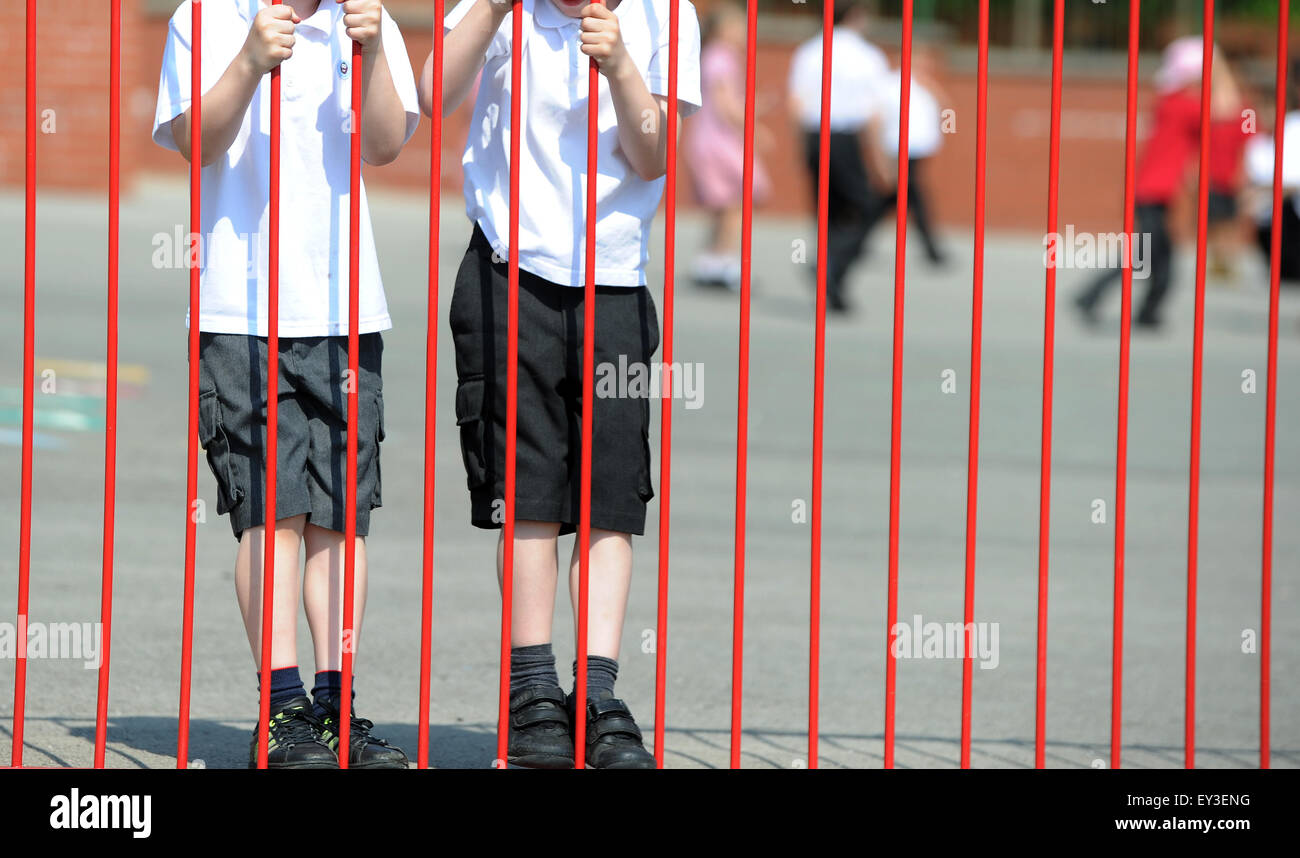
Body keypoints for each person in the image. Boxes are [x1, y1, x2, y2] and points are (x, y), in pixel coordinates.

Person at [421, 0, 701, 768]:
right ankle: (532, 688)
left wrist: (620, 67)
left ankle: (599, 691)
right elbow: (431, 93)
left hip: (612, 279)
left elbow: (654, 156)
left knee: (611, 495)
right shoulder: (502, 12)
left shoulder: (662, 14)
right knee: (526, 489)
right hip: (509, 268)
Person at [152, 0, 420, 768]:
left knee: (341, 517)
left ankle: (335, 704)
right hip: (242, 305)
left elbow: (385, 144)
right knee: (271, 513)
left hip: (343, 307)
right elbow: (193, 142)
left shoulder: (365, 20)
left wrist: (366, 51)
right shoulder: (203, 17)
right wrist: (246, 61)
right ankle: (281, 706)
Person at [1074, 36, 1243, 330]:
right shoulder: (1181, 104)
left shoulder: (1172, 102)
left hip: (1154, 193)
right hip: (1151, 192)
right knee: (1146, 255)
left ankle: (1144, 311)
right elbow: (1229, 111)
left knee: (1161, 257)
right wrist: (1220, 70)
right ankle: (1092, 297)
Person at [787, 0, 891, 313]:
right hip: (846, 139)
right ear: (857, 15)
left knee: (827, 211)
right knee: (864, 206)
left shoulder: (809, 50)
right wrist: (882, 160)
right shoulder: (868, 56)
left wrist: (800, 147)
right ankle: (831, 268)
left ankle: (831, 279)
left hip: (815, 136)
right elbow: (874, 115)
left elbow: (796, 102)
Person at [684, 1, 770, 291]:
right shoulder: (722, 57)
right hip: (720, 141)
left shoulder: (711, 56)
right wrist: (754, 128)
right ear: (723, 30)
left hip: (708, 139)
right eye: (739, 26)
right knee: (737, 200)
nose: (744, 32)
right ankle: (726, 262)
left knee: (722, 205)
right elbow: (725, 106)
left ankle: (711, 261)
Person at [872, 44, 948, 266]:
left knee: (892, 199)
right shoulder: (891, 84)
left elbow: (946, 107)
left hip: (917, 150)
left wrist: (929, 84)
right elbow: (878, 118)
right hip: (898, 149)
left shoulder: (922, 86)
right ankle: (931, 249)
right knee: (914, 197)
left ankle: (855, 240)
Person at [1244, 59, 1300, 283]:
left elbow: (1290, 181)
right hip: (1275, 220)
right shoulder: (1258, 144)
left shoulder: (1293, 127)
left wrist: (1258, 193)